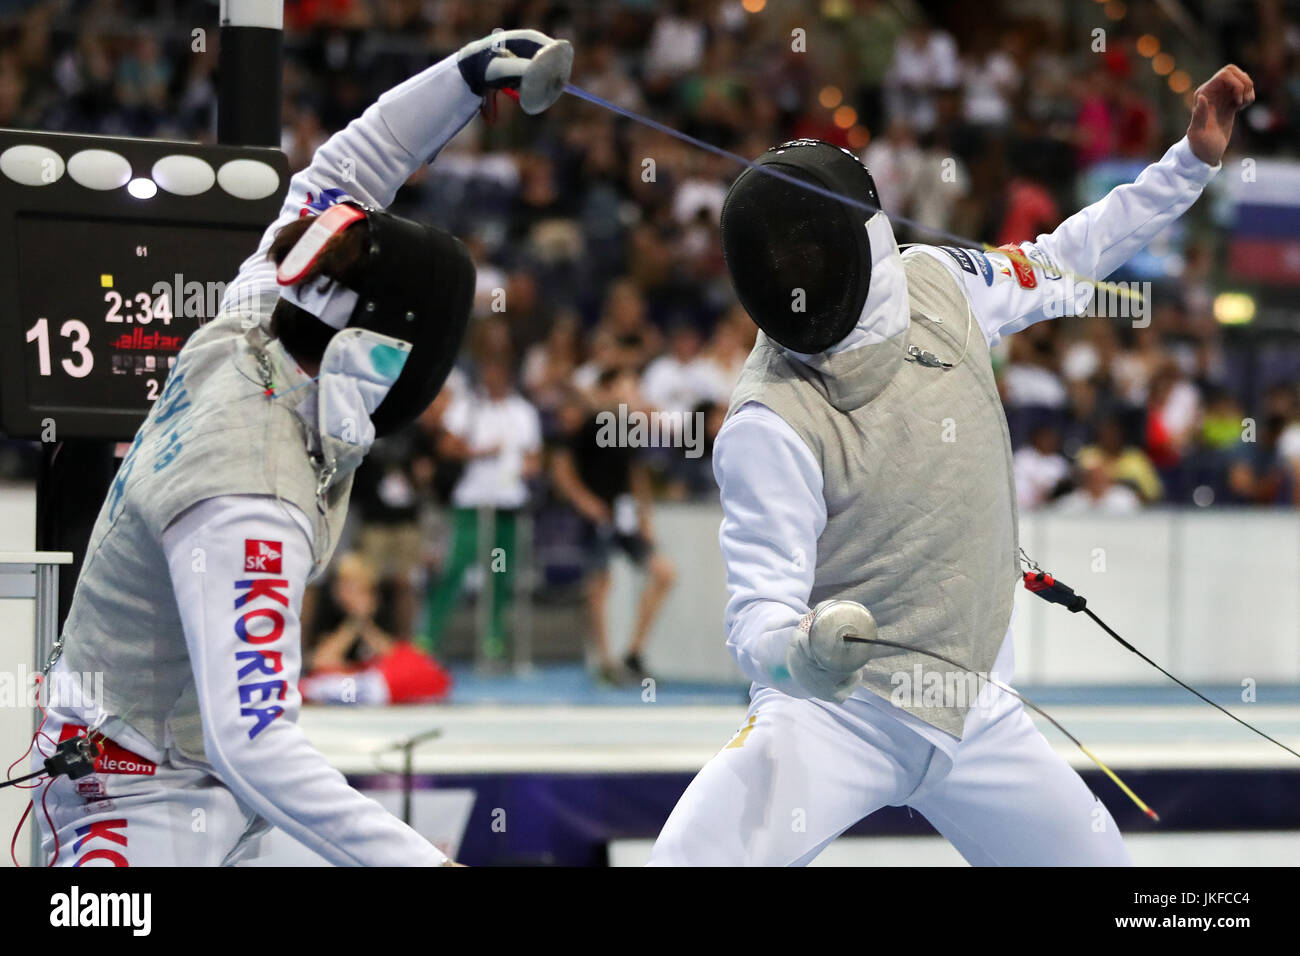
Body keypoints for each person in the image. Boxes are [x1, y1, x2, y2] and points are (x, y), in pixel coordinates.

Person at [650, 66, 1253, 866]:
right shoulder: (771, 418)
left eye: (806, 251)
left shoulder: (940, 283)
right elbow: (755, 614)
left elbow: (1069, 258)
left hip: (975, 710)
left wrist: (1189, 163)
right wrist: (803, 651)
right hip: (836, 718)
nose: (795, 273)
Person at [30, 29, 572, 867]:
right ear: (382, 358)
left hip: (214, 777)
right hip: (132, 795)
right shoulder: (250, 492)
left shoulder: (255, 317)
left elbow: (346, 172)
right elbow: (259, 747)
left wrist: (471, 72)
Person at [551, 370, 676, 684]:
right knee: (599, 586)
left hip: (625, 517)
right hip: (599, 517)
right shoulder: (588, 423)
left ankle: (632, 653)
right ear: (608, 390)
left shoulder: (627, 426)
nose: (631, 393)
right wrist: (585, 503)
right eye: (626, 386)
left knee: (663, 573)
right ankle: (604, 662)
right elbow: (561, 468)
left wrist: (645, 517)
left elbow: (636, 474)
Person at [419, 355, 543, 661]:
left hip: (506, 504)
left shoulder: (523, 412)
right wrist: (478, 452)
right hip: (472, 503)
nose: (494, 377)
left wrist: (524, 468)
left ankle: (493, 637)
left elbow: (535, 458)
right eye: (490, 370)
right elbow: (445, 446)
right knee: (455, 567)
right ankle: (429, 635)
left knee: (499, 572)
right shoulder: (468, 407)